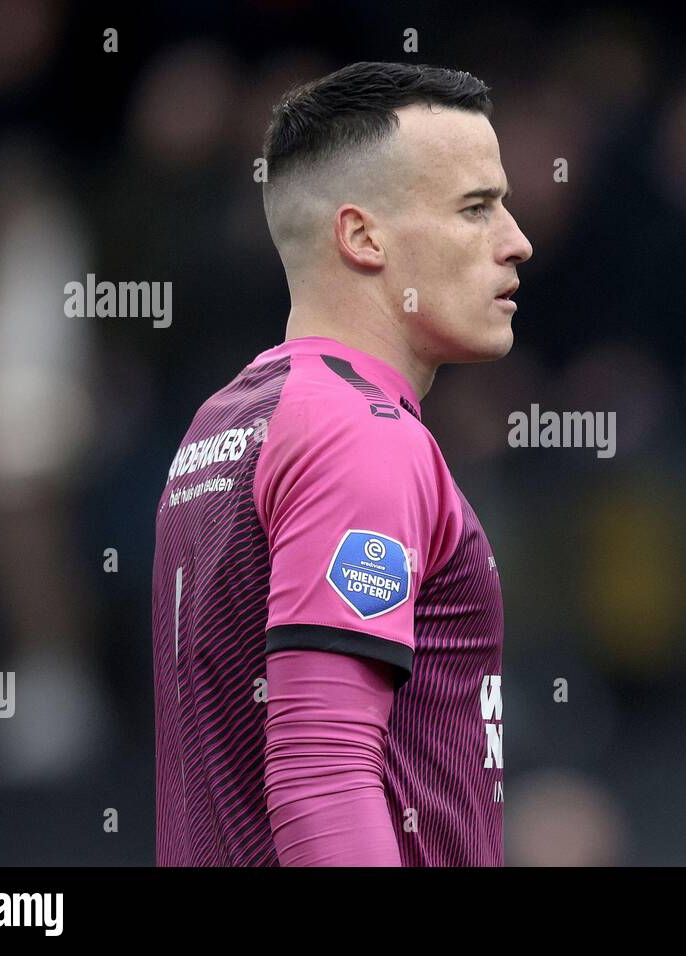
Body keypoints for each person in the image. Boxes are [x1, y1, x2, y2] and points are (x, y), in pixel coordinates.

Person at [151, 61, 532, 866]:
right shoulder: (357, 433)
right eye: (476, 209)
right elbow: (322, 774)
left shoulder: (225, 422)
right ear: (363, 237)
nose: (516, 241)